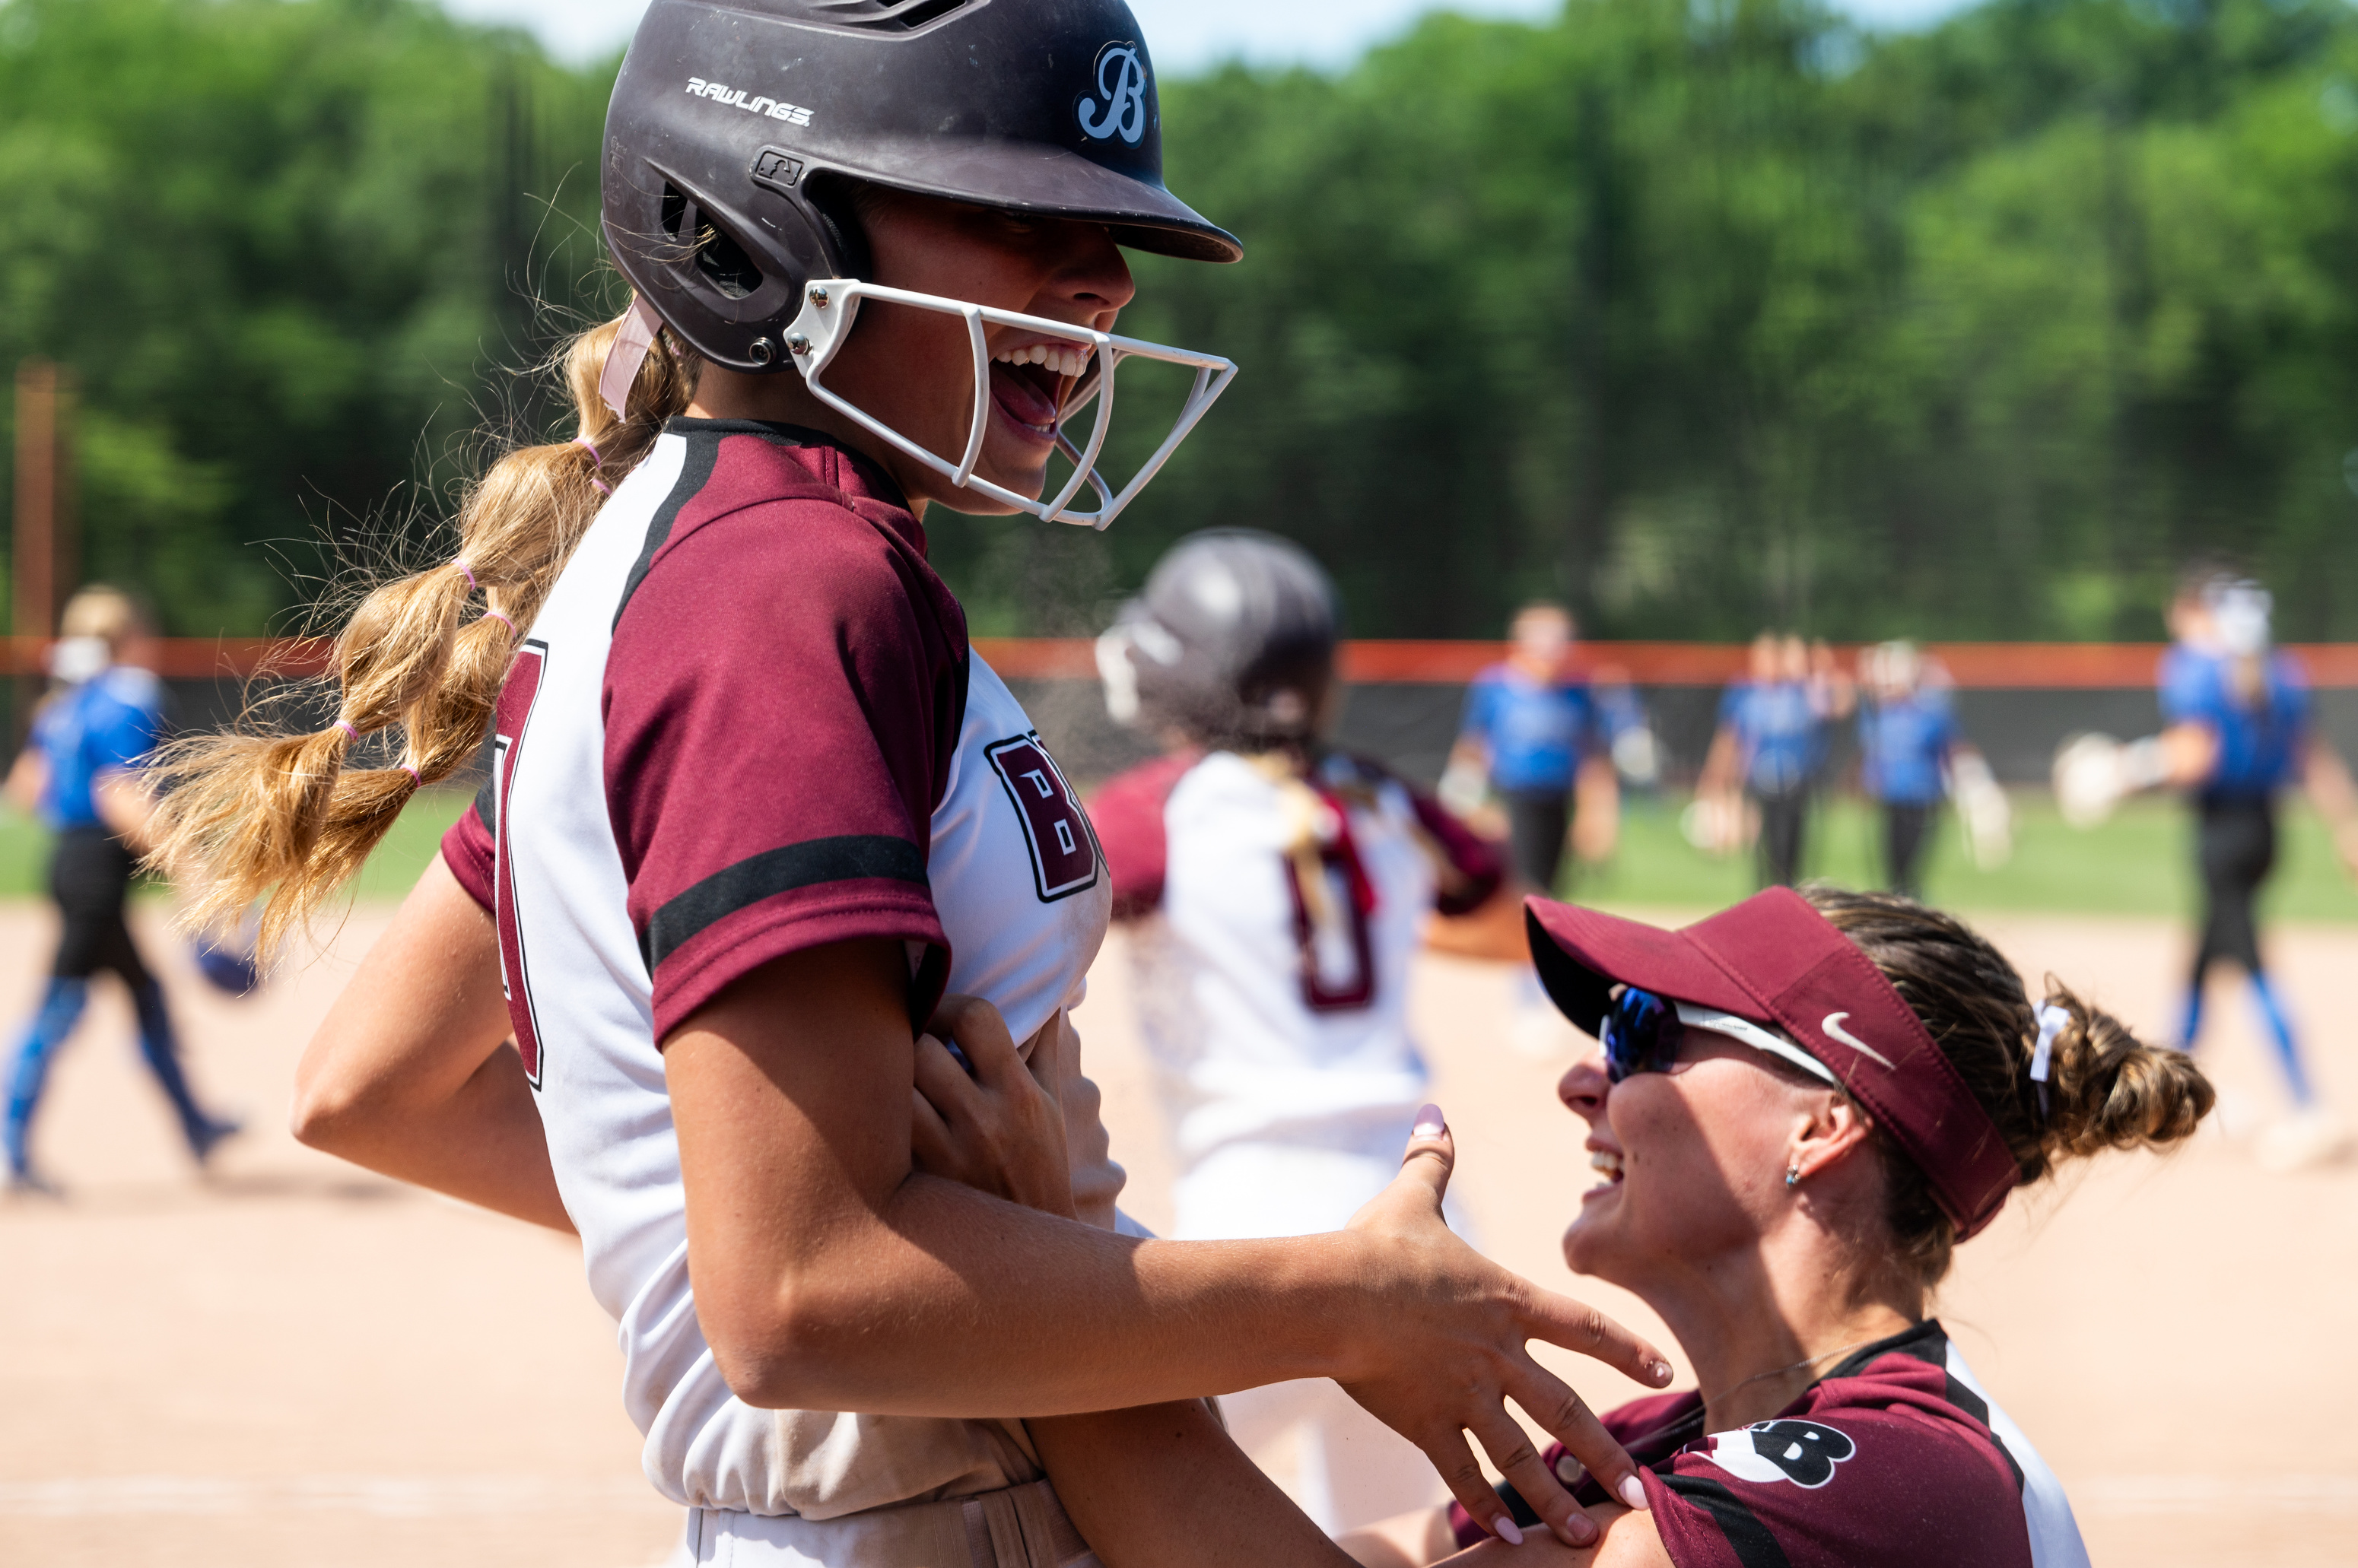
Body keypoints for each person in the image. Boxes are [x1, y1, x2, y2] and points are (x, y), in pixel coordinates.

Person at [148, 5, 1676, 1563]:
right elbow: (805, 1295)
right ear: (748, 227)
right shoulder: (787, 587)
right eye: (1018, 210)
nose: (1103, 279)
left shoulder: (716, 551)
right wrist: (1343, 1298)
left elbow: (378, 1083)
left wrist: (843, 1239)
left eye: (1105, 230)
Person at [922, 884, 2210, 1568]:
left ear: (1826, 1122)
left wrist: (1048, 1239)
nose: (1584, 1075)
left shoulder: (1890, 1483)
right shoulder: (1689, 1439)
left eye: (1647, 1032)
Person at [1089, 530, 1508, 1533]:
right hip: (1429, 1218)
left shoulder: (1161, 808)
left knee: (1091, 1513)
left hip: (1257, 1234)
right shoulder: (1383, 796)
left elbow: (1033, 912)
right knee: (1410, 1541)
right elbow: (1497, 908)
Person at [3, 586, 239, 1195]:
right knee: (60, 1005)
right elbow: (120, 795)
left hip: (68, 864)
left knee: (145, 997)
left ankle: (198, 1126)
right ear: (130, 636)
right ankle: (9, 1144)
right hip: (96, 879)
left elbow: (26, 790)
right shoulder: (128, 696)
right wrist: (190, 865)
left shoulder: (65, 704)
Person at [1443, 603, 1622, 897]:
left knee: (1551, 885)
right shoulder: (1496, 686)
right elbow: (1472, 748)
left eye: (1563, 641)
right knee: (1523, 884)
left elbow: (1594, 758)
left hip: (1559, 798)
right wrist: (1467, 803)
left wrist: (1598, 813)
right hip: (1512, 797)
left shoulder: (1578, 693)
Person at [1854, 640, 2007, 900]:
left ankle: (1912, 906)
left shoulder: (1931, 712)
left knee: (1915, 865)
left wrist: (1970, 787)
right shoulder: (1878, 715)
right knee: (1892, 864)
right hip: (1892, 797)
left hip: (1924, 796)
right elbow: (1871, 753)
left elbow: (1951, 749)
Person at [1697, 633, 1846, 889]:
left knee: (1791, 845)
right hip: (1758, 778)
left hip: (1796, 780)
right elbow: (1729, 739)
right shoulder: (1744, 694)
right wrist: (1715, 777)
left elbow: (1839, 705)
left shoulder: (1801, 691)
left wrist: (1817, 666)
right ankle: (1763, 897)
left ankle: (1789, 895)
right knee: (1761, 848)